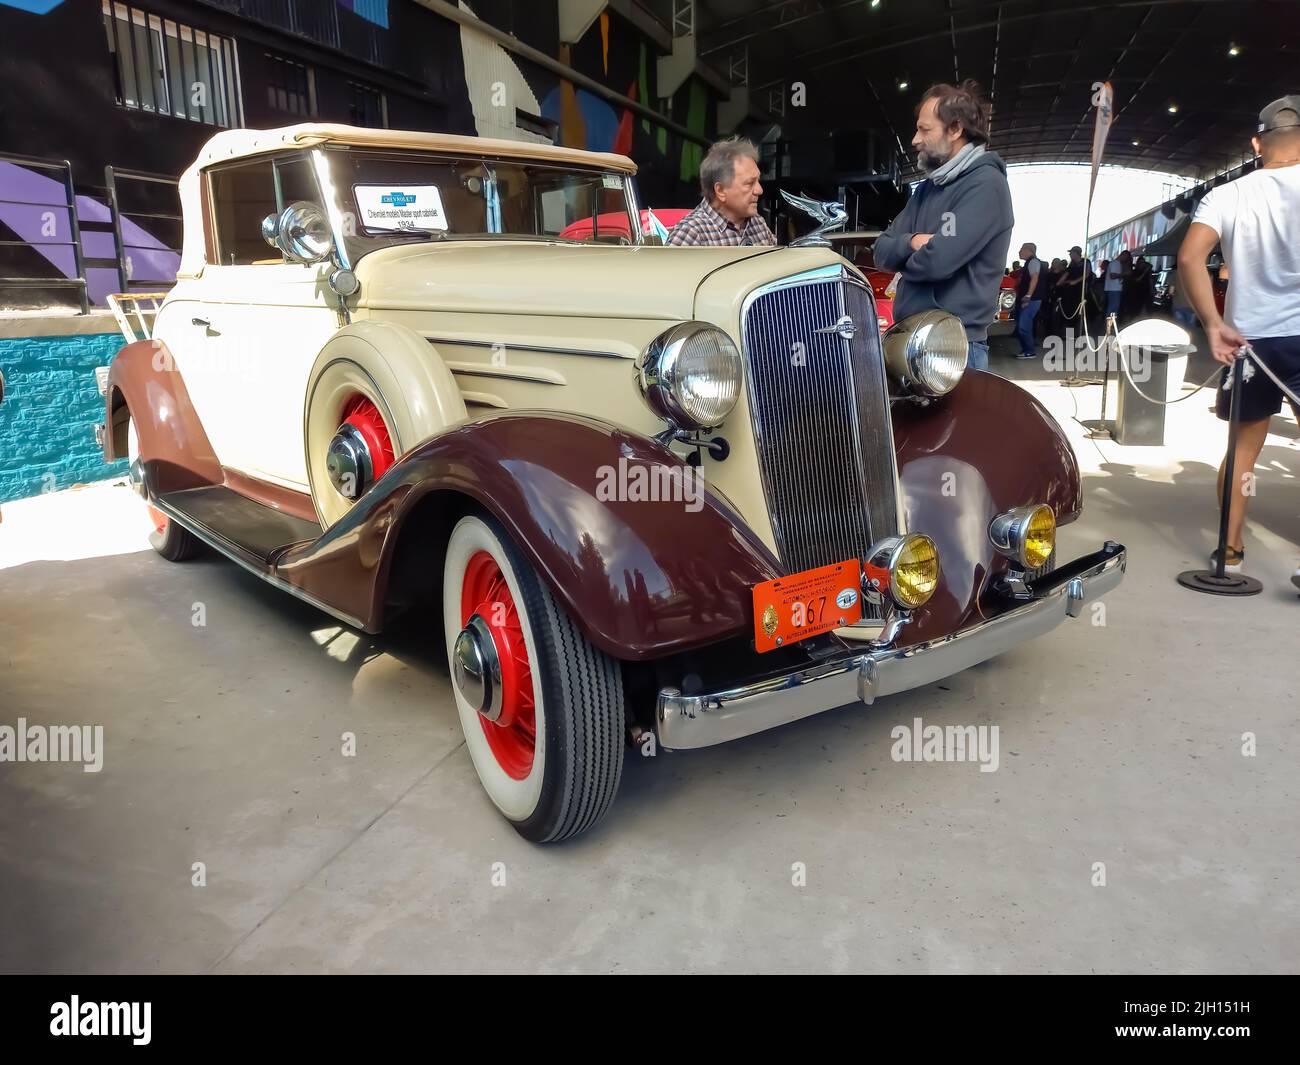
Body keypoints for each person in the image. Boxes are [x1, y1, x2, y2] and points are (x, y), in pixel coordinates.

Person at [1178, 94, 1300, 589]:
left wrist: (1212, 322)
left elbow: (1190, 258)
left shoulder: (1228, 195)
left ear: (1256, 142)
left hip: (1251, 341)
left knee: (1244, 451)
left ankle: (1230, 554)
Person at [873, 80, 1013, 372]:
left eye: (925, 129)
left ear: (955, 129)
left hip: (951, 350)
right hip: (910, 341)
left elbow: (937, 262)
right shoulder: (927, 189)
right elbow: (881, 250)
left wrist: (906, 261)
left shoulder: (986, 185)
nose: (914, 139)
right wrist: (911, 243)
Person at [668, 136, 776, 247]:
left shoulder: (758, 223)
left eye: (758, 181)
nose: (759, 190)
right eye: (749, 183)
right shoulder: (691, 234)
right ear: (720, 190)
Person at [1014, 241, 1044, 359]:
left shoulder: (1033, 262)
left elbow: (1034, 278)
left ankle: (1029, 351)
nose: (1019, 252)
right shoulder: (1030, 262)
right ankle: (1027, 349)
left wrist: (1028, 296)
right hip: (1032, 298)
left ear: (1028, 251)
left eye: (1021, 249)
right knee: (1025, 325)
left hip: (1032, 299)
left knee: (1023, 325)